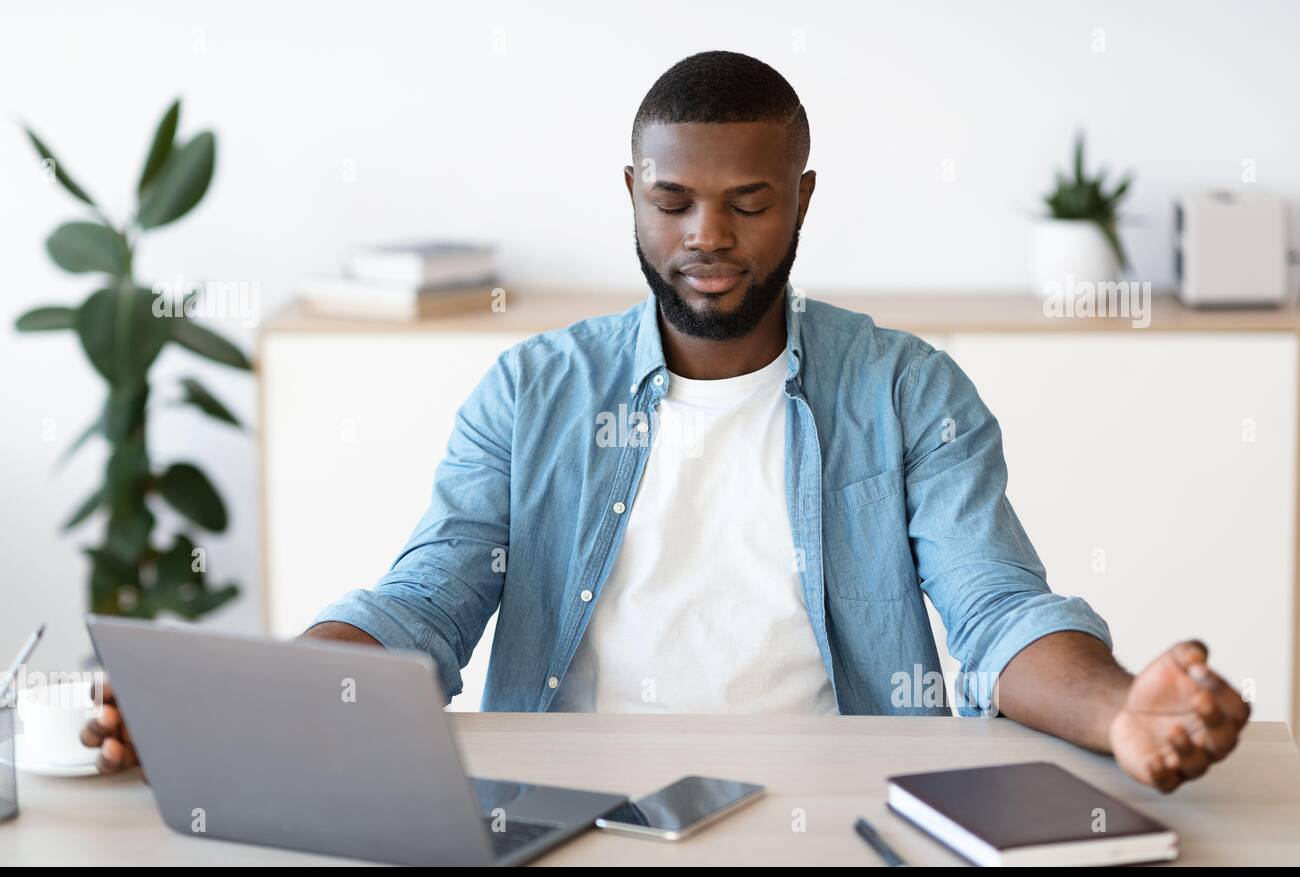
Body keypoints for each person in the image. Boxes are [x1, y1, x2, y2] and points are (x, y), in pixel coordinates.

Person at [85, 50, 1248, 793]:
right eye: (674, 200)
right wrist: (250, 710)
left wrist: (1113, 708)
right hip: (569, 804)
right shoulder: (532, 390)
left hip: (832, 800)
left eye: (748, 202)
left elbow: (995, 610)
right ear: (631, 194)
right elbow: (426, 603)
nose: (708, 236)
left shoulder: (906, 389)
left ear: (800, 200)